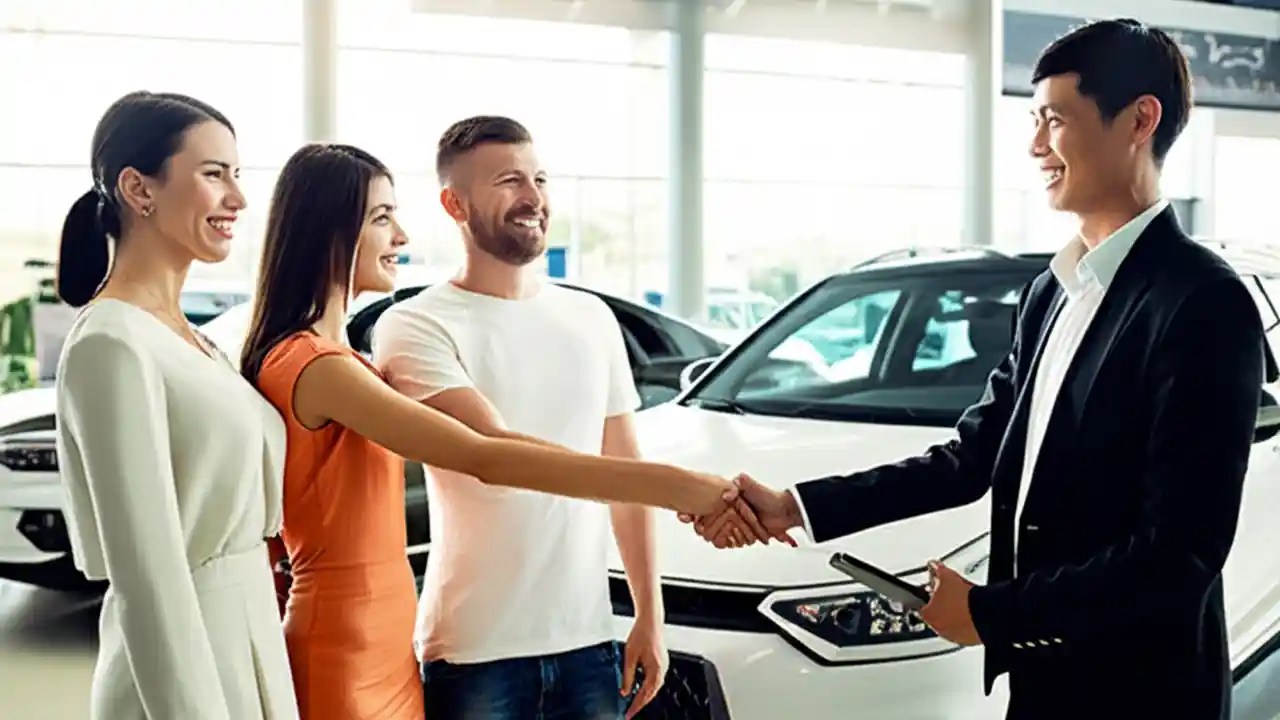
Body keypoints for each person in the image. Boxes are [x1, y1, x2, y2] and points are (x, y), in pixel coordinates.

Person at [686, 19, 1270, 720]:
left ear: (1140, 119)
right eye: (1033, 120)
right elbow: (972, 457)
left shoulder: (1202, 301)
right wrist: (797, 506)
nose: (1034, 146)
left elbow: (1180, 554)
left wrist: (991, 613)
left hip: (1143, 690)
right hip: (1044, 682)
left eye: (1055, 119)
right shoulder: (1053, 291)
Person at [239, 143, 759, 720]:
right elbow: (488, 456)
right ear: (327, 230)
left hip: (382, 637)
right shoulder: (318, 365)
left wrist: (650, 600)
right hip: (348, 643)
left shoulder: (336, 360)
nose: (402, 237)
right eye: (382, 217)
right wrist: (684, 488)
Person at [53, 91, 299, 719]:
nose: (239, 199)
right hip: (184, 667)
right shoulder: (111, 343)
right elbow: (150, 580)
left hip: (248, 639)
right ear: (139, 189)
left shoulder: (193, 338)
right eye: (214, 174)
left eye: (237, 176)